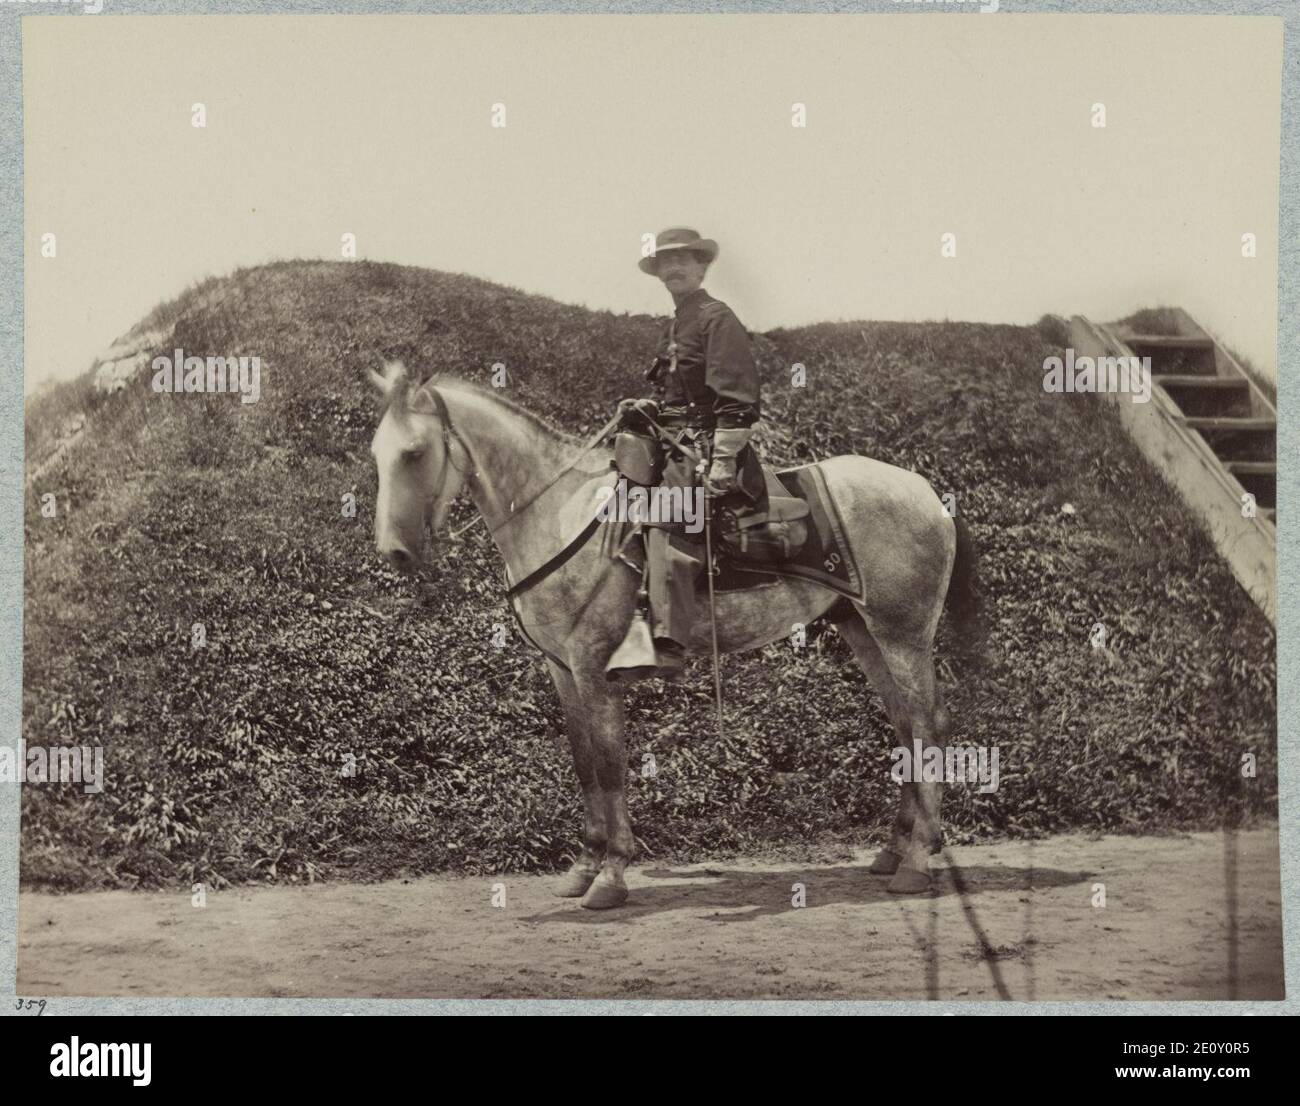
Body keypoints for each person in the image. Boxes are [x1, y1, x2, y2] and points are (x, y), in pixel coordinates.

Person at [608, 227, 765, 681]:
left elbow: (737, 397)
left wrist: (723, 460)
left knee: (670, 517)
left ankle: (668, 641)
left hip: (703, 447)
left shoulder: (718, 318)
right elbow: (678, 397)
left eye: (683, 260)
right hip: (671, 441)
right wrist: (647, 407)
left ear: (702, 266)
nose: (672, 268)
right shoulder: (675, 327)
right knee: (616, 501)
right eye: (664, 262)